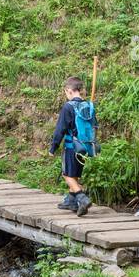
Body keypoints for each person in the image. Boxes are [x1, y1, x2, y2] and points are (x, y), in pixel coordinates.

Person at [49, 76, 96, 216]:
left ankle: (82, 198)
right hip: (85, 146)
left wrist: (53, 147)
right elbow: (94, 126)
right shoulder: (88, 105)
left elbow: (60, 129)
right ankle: (71, 201)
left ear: (69, 90)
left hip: (71, 146)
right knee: (74, 173)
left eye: (65, 92)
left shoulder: (68, 107)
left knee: (67, 174)